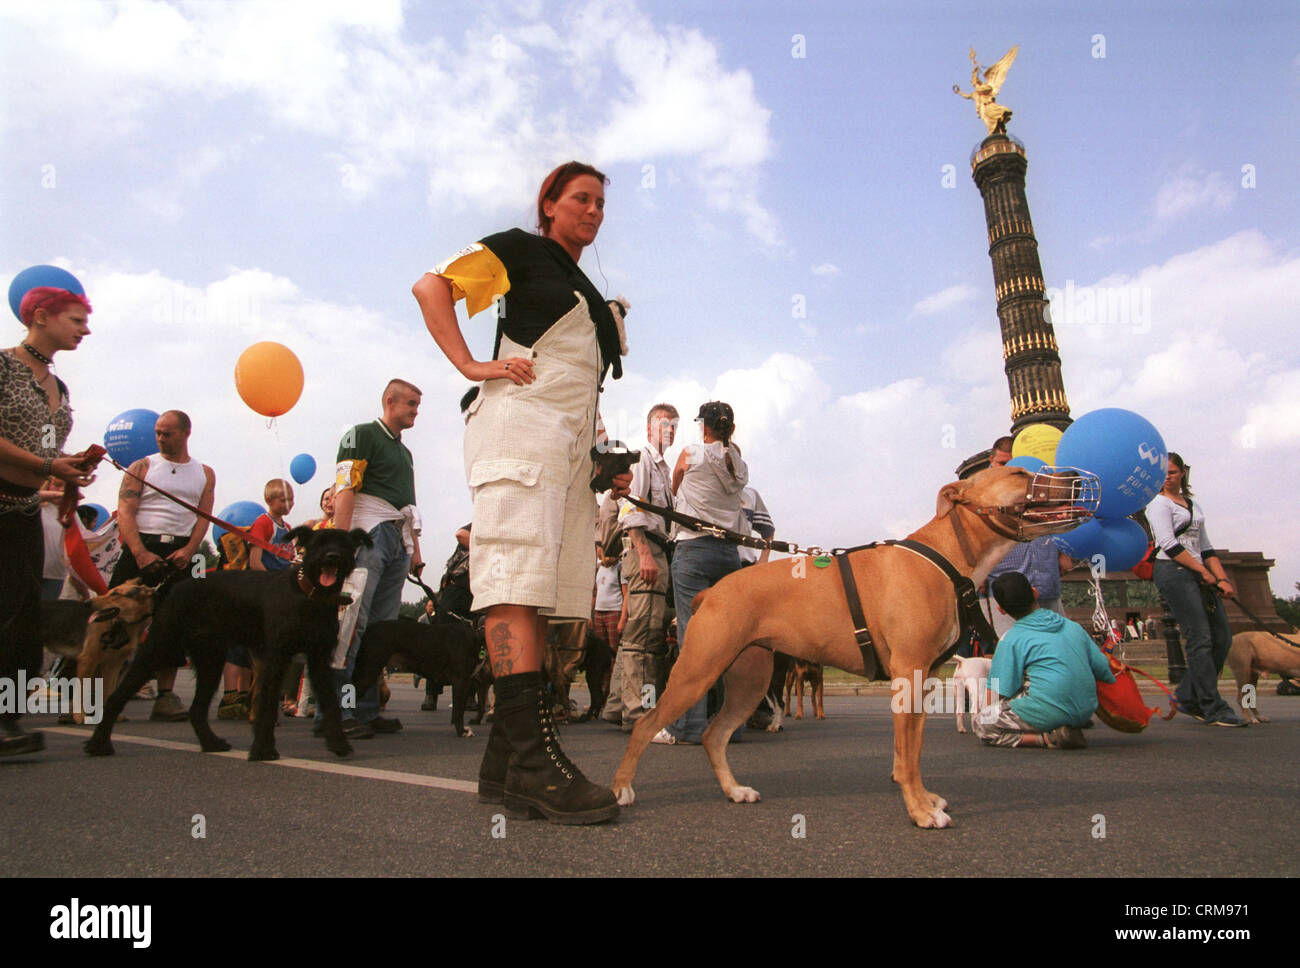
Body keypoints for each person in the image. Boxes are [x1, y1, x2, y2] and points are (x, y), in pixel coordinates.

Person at [412, 160, 631, 824]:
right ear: (549, 205)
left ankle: (506, 763)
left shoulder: (584, 288)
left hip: (564, 448)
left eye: (600, 201)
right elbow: (431, 288)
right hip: (519, 425)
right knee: (512, 579)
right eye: (581, 199)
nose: (593, 210)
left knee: (541, 591)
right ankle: (535, 762)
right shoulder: (520, 249)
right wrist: (472, 366)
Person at [0, 286, 95, 755]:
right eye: (76, 320)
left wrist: (69, 467)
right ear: (41, 315)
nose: (85, 329)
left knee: (21, 619)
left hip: (23, 511)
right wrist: (47, 467)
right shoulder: (2, 367)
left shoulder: (60, 387)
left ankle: (5, 720)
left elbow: (45, 453)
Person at [326, 379, 425, 738]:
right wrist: (340, 542)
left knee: (380, 632)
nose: (416, 411)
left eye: (418, 405)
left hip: (396, 539)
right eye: (411, 404)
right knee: (352, 624)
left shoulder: (404, 452)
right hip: (367, 535)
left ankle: (365, 709)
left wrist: (414, 550)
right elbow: (346, 488)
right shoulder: (360, 435)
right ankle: (336, 711)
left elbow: (407, 507)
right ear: (390, 400)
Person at [653, 401, 749, 746]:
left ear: (702, 427)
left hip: (694, 550)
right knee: (728, 642)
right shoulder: (740, 465)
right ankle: (730, 726)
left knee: (691, 640)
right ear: (731, 429)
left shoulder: (690, 453)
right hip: (729, 556)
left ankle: (687, 726)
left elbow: (675, 489)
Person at [111, 409, 215, 722]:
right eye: (157, 432)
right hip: (141, 547)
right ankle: (100, 695)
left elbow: (204, 517)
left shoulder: (204, 473)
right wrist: (140, 552)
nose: (160, 438)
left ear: (186, 433)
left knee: (173, 625)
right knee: (115, 620)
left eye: (166, 433)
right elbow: (125, 512)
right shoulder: (141, 466)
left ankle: (166, 696)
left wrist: (189, 550)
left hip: (178, 553)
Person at [1148, 452, 1245, 727]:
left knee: (1222, 638)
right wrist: (1203, 572)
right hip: (1174, 571)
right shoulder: (1158, 504)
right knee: (1200, 637)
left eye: (1173, 472)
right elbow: (1167, 542)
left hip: (1199, 572)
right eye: (1163, 473)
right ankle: (1213, 707)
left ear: (1182, 474)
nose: (1168, 477)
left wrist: (1223, 579)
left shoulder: (1192, 505)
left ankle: (1189, 696)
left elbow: (1206, 547)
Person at [974, 572, 1116, 749]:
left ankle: (1048, 739)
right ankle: (1065, 723)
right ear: (1035, 592)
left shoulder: (1011, 639)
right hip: (1085, 711)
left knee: (982, 722)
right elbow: (1104, 670)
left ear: (1001, 609)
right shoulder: (1073, 627)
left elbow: (997, 692)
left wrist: (984, 711)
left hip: (1049, 711)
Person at [609, 403, 677, 730]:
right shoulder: (643, 460)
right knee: (642, 640)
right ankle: (638, 713)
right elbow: (629, 510)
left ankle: (631, 708)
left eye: (674, 426)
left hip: (659, 548)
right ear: (649, 429)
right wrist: (644, 552)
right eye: (664, 425)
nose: (670, 431)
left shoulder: (662, 467)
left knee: (649, 640)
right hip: (647, 549)